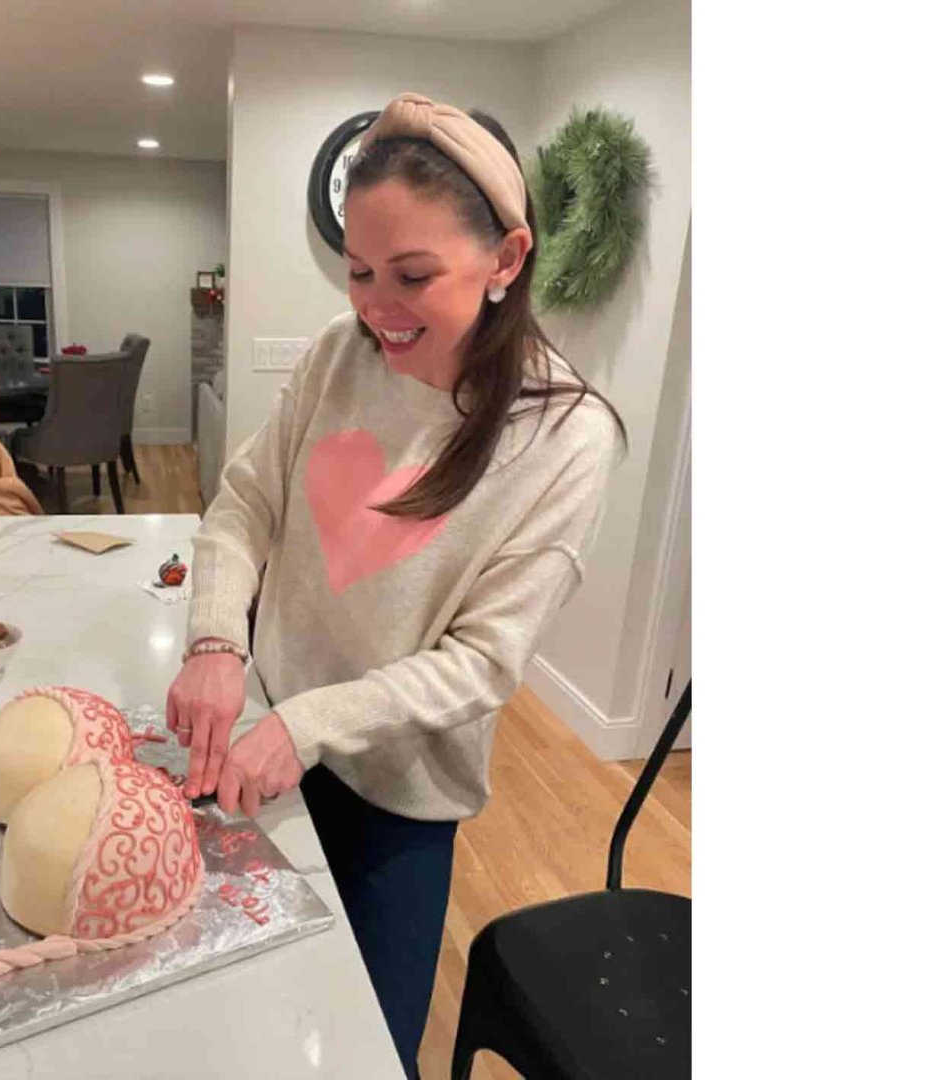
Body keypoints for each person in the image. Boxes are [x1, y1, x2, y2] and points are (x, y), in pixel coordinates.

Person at [165, 91, 625, 1079]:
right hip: (262, 736)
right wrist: (214, 640)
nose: (376, 307)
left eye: (414, 275)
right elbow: (245, 503)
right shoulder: (341, 354)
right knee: (232, 1022)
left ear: (505, 259)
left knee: (362, 1050)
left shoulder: (565, 436)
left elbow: (480, 666)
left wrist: (312, 723)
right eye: (360, 272)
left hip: (395, 799)